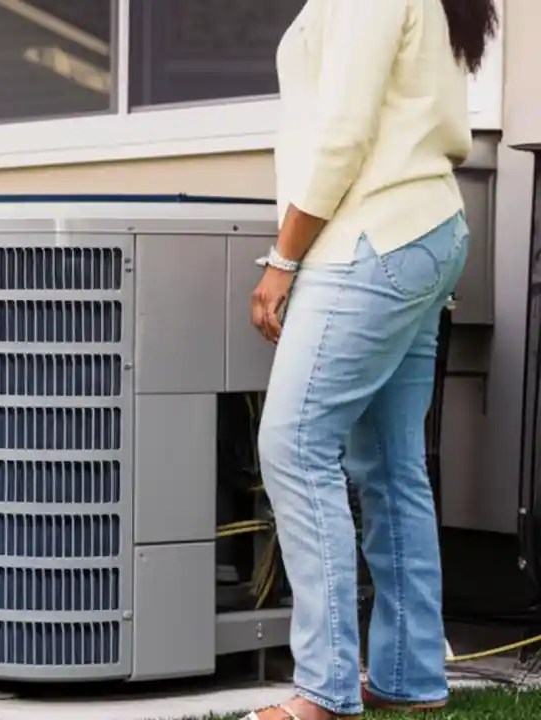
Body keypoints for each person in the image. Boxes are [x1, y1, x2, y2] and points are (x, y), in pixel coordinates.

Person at [244, 0, 498, 718]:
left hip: (373, 236)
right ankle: (408, 676)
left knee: (294, 444)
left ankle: (321, 691)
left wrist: (283, 257)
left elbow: (344, 131)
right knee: (390, 463)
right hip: (423, 232)